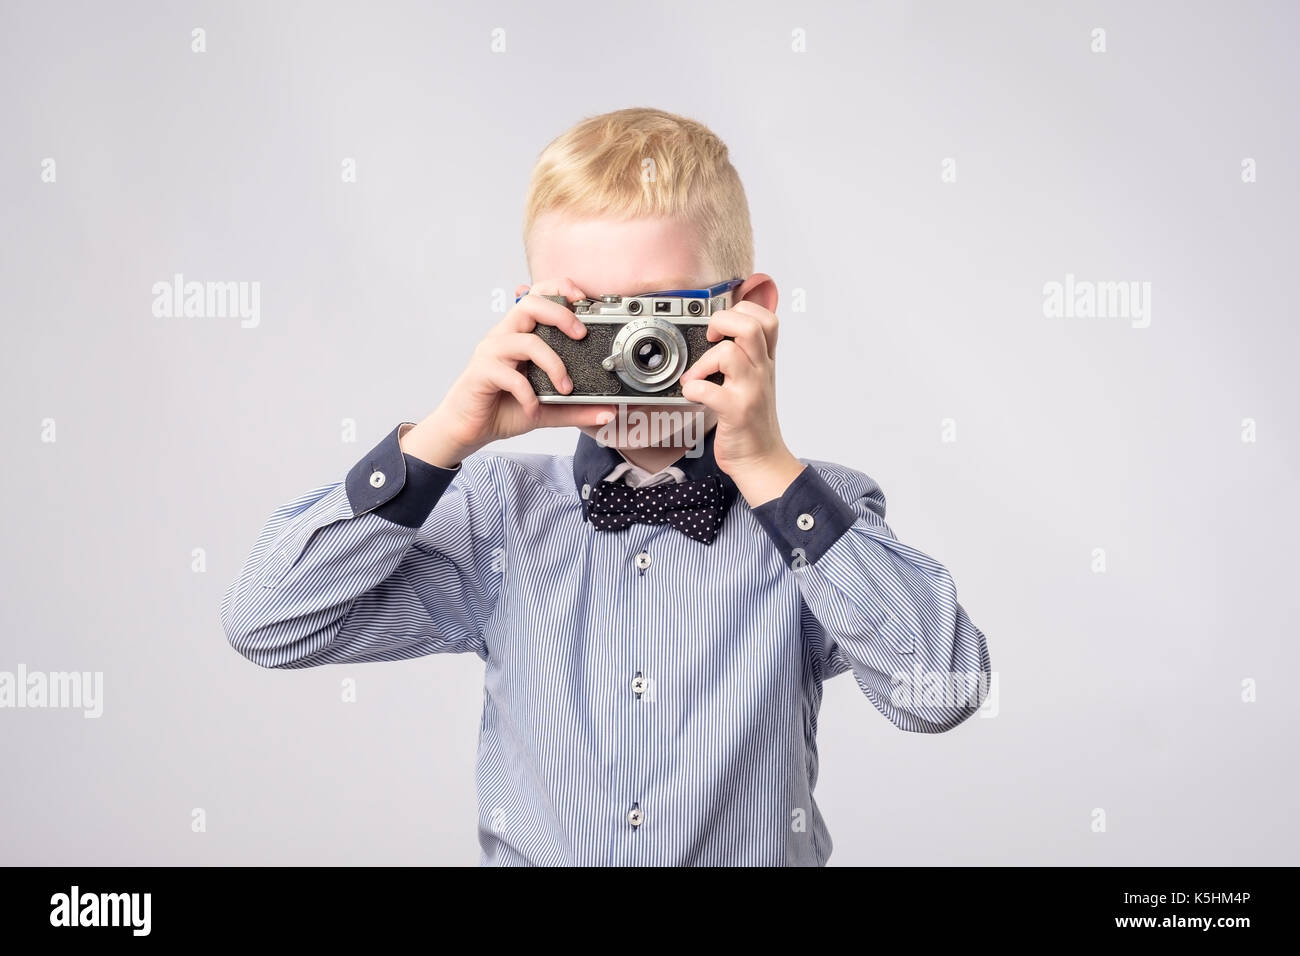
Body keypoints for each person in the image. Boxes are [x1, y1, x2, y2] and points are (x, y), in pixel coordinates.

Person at [221, 107, 992, 866]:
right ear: (533, 318)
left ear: (745, 312)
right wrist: (441, 438)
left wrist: (769, 471)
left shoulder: (813, 513)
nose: (631, 353)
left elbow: (945, 689)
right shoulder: (501, 516)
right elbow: (267, 621)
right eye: (590, 316)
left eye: (657, 314)